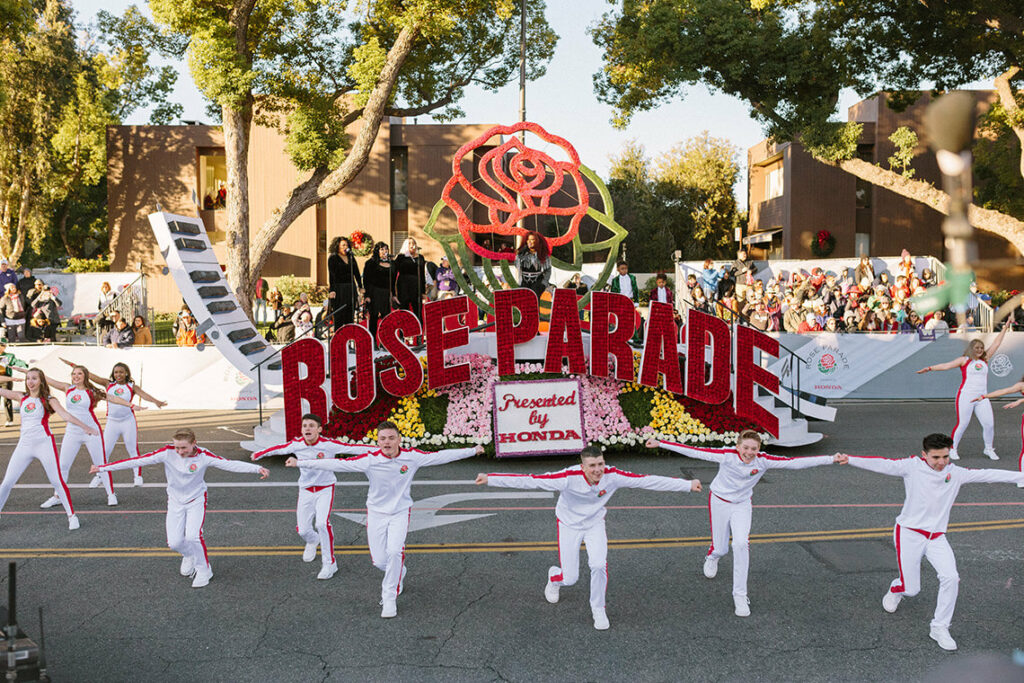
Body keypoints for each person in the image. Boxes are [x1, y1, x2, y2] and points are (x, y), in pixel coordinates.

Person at [477, 445, 701, 630]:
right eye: (592, 466)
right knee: (570, 578)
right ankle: (555, 577)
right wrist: (491, 478)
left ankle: (598, 608)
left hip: (594, 523)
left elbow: (647, 480)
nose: (598, 470)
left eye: (601, 464)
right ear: (582, 466)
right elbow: (530, 480)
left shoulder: (612, 476)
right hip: (569, 524)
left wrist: (686, 485)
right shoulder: (566, 478)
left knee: (598, 565)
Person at [843, 433, 1024, 651]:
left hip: (937, 537)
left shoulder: (955, 473)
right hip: (909, 534)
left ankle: (939, 627)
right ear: (924, 455)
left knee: (951, 577)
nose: (941, 462)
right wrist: (850, 459)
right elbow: (882, 464)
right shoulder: (911, 467)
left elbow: (989, 474)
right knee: (911, 589)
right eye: (936, 457)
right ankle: (896, 588)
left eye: (945, 456)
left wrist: (1019, 476)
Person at [286, 420, 484, 618]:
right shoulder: (369, 460)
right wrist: (300, 462)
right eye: (382, 439)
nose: (387, 442)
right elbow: (336, 463)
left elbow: (441, 456)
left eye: (391, 438)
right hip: (376, 513)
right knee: (380, 561)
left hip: (400, 512)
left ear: (399, 439)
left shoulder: (412, 457)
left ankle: (389, 597)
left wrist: (472, 450)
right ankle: (399, 571)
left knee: (395, 551)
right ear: (378, 442)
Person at [647, 431, 842, 617]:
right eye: (746, 447)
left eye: (754, 449)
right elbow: (695, 451)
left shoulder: (763, 460)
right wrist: (661, 443)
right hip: (719, 501)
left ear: (759, 449)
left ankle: (740, 596)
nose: (749, 453)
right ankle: (713, 555)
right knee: (721, 548)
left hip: (742, 505)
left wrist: (830, 459)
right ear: (738, 446)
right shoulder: (726, 455)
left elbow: (795, 463)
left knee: (740, 544)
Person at [91, 428, 269, 588]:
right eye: (177, 447)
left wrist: (257, 468)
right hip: (175, 501)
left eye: (184, 448)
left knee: (193, 536)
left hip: (196, 500)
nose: (179, 451)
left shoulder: (204, 456)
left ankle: (204, 570)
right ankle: (189, 555)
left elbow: (229, 464)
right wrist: (103, 468)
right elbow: (137, 461)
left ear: (194, 444)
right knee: (174, 543)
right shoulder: (167, 453)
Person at [252, 413, 376, 579]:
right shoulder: (297, 444)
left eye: (311, 425)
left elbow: (353, 449)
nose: (307, 429)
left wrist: (380, 450)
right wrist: (259, 454)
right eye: (305, 426)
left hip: (325, 489)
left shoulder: (328, 445)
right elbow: (278, 448)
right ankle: (312, 541)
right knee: (303, 530)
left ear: (319, 429)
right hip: (306, 490)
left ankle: (329, 563)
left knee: (323, 524)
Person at [29, 364, 141, 509]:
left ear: (85, 376)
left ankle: (111, 494)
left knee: (100, 464)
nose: (76, 376)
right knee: (63, 465)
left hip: (91, 432)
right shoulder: (67, 388)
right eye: (74, 374)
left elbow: (112, 398)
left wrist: (131, 405)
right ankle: (58, 496)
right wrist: (29, 371)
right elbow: (47, 379)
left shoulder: (92, 392)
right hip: (72, 432)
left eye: (79, 374)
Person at [0, 368, 99, 530]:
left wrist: (86, 427)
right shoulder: (21, 397)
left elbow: (66, 416)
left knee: (57, 481)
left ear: (41, 381)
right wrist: (9, 378)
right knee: (6, 483)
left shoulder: (48, 399)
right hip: (24, 446)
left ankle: (72, 516)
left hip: (44, 444)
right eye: (28, 379)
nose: (30, 382)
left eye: (34, 379)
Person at [917, 316, 1012, 460]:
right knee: (963, 423)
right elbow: (946, 365)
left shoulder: (985, 359)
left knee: (989, 424)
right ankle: (953, 448)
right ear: (971, 349)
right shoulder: (964, 360)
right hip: (966, 396)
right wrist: (930, 368)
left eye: (981, 348)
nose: (979, 350)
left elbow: (997, 343)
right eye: (976, 348)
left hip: (982, 397)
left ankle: (988, 448)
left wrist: (1006, 326)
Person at [66, 359, 167, 487]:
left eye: (121, 372)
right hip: (112, 423)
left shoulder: (131, 387)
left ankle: (137, 476)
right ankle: (99, 475)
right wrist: (73, 365)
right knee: (105, 451)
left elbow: (144, 395)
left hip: (128, 421)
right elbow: (90, 375)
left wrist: (156, 401)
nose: (118, 374)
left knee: (132, 450)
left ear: (126, 373)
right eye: (116, 372)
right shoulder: (108, 384)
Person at [972, 376, 1024, 487]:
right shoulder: (1021, 385)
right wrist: (985, 396)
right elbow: (1004, 391)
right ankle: (1021, 479)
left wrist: (1020, 400)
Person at [363, 242, 397, 341]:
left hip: (386, 293)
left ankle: (385, 340)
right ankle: (373, 340)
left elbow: (393, 281)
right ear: (377, 251)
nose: (384, 251)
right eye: (382, 249)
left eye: (386, 249)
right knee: (374, 317)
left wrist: (393, 294)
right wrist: (367, 295)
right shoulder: (371, 263)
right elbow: (366, 280)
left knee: (386, 318)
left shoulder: (392, 264)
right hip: (374, 292)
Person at [394, 238, 426, 322]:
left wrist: (423, 292)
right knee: (404, 310)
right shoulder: (401, 257)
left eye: (414, 243)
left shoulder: (420, 258)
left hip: (416, 286)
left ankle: (419, 332)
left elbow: (422, 275)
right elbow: (394, 272)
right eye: (410, 243)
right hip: (404, 286)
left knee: (417, 310)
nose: (412, 245)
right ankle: (403, 332)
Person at [515, 231, 551, 299]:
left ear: (537, 241)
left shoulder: (544, 255)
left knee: (534, 300)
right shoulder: (521, 255)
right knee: (524, 301)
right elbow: (517, 268)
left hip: (538, 282)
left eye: (532, 240)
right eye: (528, 240)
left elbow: (548, 270)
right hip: (524, 282)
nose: (529, 242)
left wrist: (544, 283)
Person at [0, 339, 26, 426]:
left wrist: (25, 364)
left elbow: (16, 362)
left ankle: (9, 420)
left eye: (3, 345)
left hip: (6, 379)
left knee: (7, 399)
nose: (1, 347)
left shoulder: (9, 356)